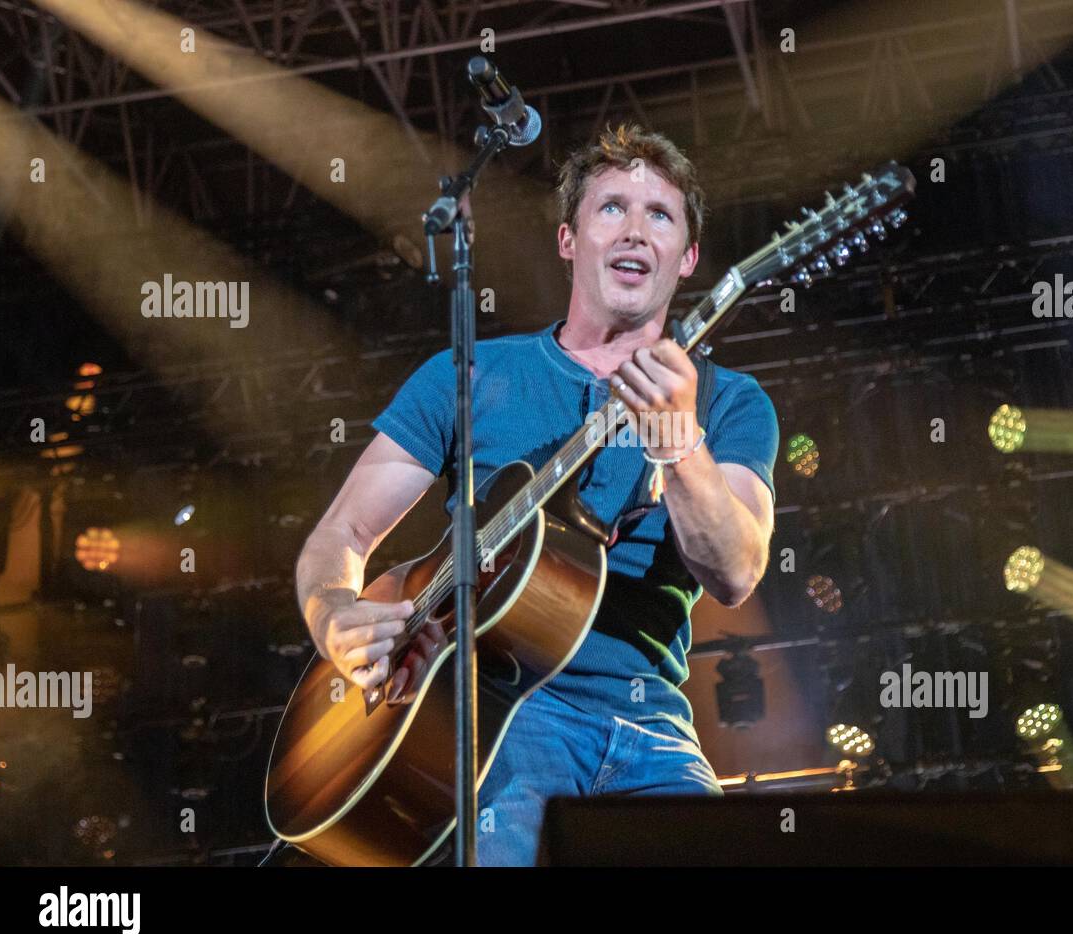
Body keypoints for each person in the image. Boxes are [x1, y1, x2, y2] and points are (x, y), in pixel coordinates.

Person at [294, 124, 779, 865]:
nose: (635, 231)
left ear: (687, 259)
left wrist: (680, 442)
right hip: (501, 719)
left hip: (651, 726)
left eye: (660, 215)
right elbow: (341, 537)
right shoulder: (468, 376)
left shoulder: (730, 404)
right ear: (568, 239)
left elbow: (736, 571)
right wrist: (335, 618)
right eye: (612, 208)